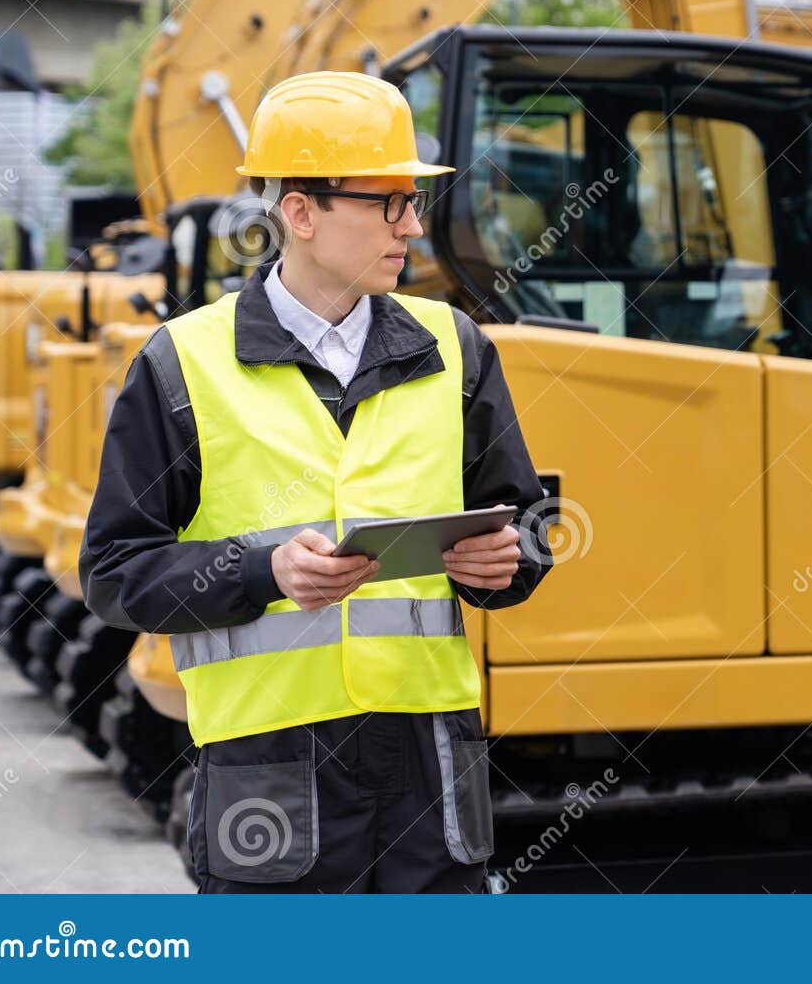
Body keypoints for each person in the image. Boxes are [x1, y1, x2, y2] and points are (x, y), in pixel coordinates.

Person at [81, 71, 551, 893]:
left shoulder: (458, 346)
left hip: (427, 762)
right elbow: (115, 573)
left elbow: (533, 523)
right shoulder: (183, 362)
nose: (410, 226)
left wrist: (508, 565)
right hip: (267, 767)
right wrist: (266, 570)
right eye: (388, 203)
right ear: (299, 212)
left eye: (414, 202)